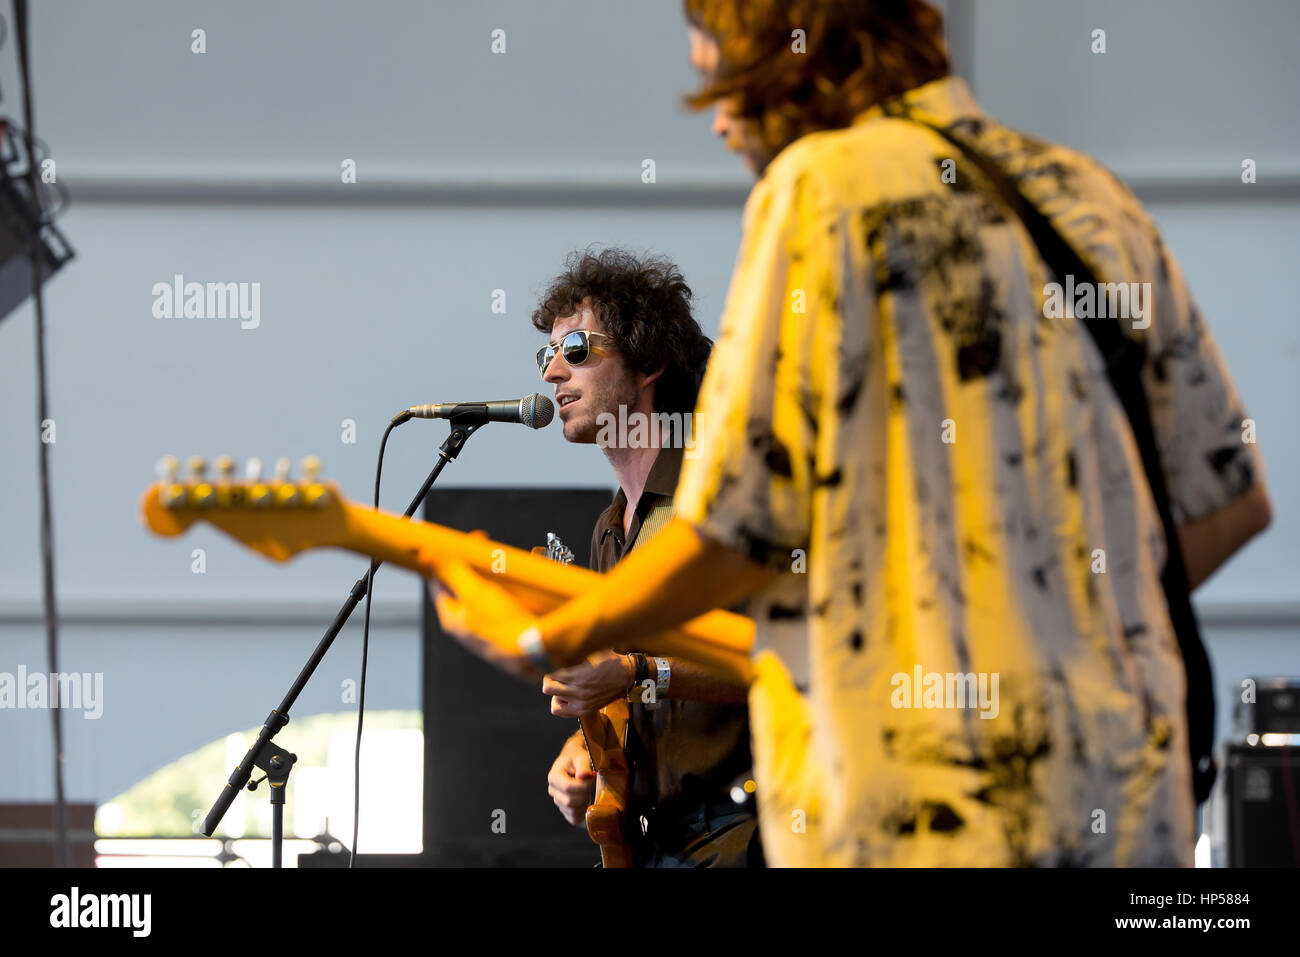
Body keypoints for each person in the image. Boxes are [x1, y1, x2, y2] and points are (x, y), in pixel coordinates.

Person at [428, 0, 1272, 866]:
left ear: (793, 61)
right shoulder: (1093, 198)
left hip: (917, 811)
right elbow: (1230, 511)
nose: (719, 121)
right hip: (1133, 796)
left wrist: (546, 634)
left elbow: (732, 542)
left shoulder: (822, 188)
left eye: (725, 80)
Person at [472, 247, 762, 866]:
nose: (553, 373)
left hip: (748, 831)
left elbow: (794, 661)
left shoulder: (719, 506)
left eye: (576, 349)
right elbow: (628, 695)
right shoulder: (612, 529)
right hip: (659, 841)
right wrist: (587, 750)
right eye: (547, 355)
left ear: (651, 361)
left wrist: (635, 673)